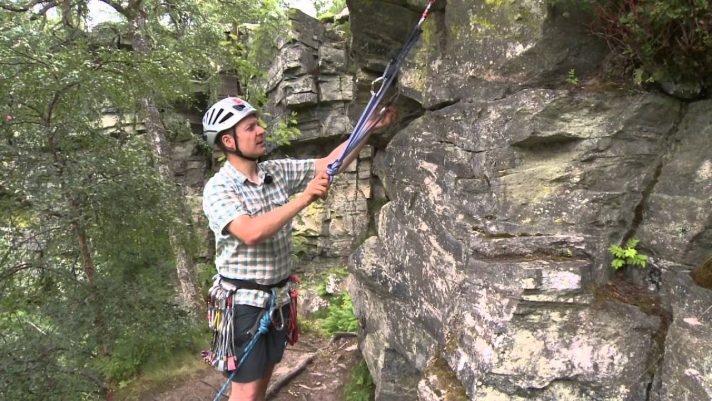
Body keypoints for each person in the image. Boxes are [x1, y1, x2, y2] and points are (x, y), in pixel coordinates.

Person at [201, 97, 396, 401]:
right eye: (251, 128)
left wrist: (368, 126)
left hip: (275, 299)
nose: (261, 130)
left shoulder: (274, 172)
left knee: (264, 376)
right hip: (243, 305)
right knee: (246, 393)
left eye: (258, 124)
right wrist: (303, 199)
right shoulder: (219, 188)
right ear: (229, 140)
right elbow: (250, 232)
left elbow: (330, 164)